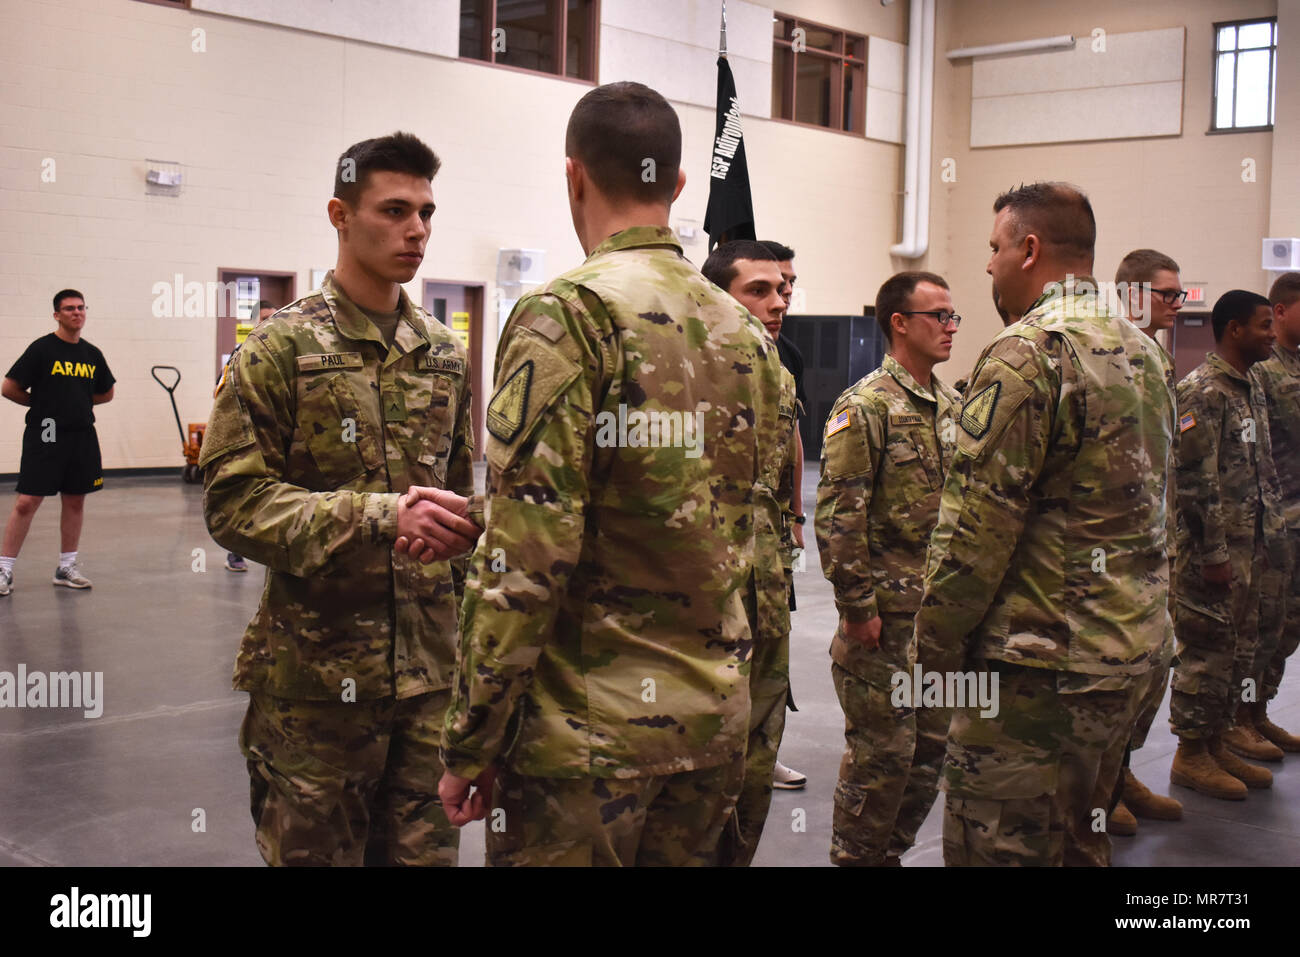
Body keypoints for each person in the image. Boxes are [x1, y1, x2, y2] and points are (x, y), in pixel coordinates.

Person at [437, 81, 785, 866]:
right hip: (712, 725)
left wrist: (472, 734)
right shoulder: (749, 334)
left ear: (574, 176)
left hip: (586, 744)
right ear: (680, 185)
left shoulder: (568, 315)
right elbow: (763, 541)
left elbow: (528, 554)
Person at [201, 131, 481, 866]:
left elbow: (457, 491)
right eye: (394, 209)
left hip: (429, 683)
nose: (416, 229)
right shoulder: (278, 349)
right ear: (340, 213)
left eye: (426, 211)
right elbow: (235, 503)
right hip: (318, 691)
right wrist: (380, 515)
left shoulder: (444, 352)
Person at [914, 182, 1175, 866]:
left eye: (995, 249)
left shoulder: (1028, 352)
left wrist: (933, 652)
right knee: (1080, 842)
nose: (990, 265)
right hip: (1128, 656)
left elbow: (974, 530)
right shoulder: (1144, 352)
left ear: (1030, 249)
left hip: (1036, 676)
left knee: (999, 849)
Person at [815, 270, 961, 866]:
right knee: (883, 756)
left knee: (930, 753)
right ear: (899, 323)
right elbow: (839, 515)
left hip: (938, 623)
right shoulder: (867, 406)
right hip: (884, 623)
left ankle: (887, 854)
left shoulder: (953, 404)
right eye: (939, 316)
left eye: (955, 317)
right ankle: (855, 858)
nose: (951, 327)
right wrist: (858, 609)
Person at [701, 240, 799, 865]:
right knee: (703, 769)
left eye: (784, 288)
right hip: (708, 604)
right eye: (758, 290)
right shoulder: (689, 375)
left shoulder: (779, 375)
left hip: (768, 598)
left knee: (757, 761)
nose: (778, 300)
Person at [1168, 290, 1287, 799]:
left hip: (1249, 542)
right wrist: (1214, 553)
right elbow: (1196, 481)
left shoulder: (1251, 384)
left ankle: (1216, 739)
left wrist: (1268, 536)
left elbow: (1258, 466)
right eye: (1263, 326)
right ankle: (1189, 754)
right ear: (1235, 329)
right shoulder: (1202, 391)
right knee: (1206, 651)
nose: (1271, 335)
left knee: (1237, 649)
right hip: (1209, 553)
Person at [1106, 248, 1188, 832]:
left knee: (1153, 665)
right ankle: (1101, 787)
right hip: (1108, 545)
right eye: (1167, 295)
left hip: (1155, 540)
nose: (1177, 305)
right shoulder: (1108, 351)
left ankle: (1123, 772)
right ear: (1133, 293)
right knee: (1113, 671)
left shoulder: (1156, 356)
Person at [0, 289, 115, 596]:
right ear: (57, 315)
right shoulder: (42, 349)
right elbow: (9, 387)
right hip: (46, 432)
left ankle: (66, 567)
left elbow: (107, 392)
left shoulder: (92, 354)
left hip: (81, 436)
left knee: (75, 499)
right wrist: (41, 405)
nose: (76, 313)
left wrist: (75, 402)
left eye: (80, 308)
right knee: (27, 501)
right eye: (69, 309)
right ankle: (5, 569)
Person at [759, 238, 808, 791]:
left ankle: (764, 748)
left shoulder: (786, 355)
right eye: (769, 287)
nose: (784, 296)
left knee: (775, 636)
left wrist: (796, 513)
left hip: (771, 531)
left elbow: (793, 437)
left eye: (788, 284)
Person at [1249, 272, 1300, 753]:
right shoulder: (1262, 372)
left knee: (1287, 627)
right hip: (1274, 522)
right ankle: (1236, 721)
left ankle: (1259, 710)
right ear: (1281, 311)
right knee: (1261, 626)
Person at [222, 299, 276, 573]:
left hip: (278, 437)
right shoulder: (240, 353)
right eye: (264, 317)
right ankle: (235, 553)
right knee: (244, 497)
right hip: (250, 436)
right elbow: (222, 393)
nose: (269, 322)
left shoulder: (284, 351)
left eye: (274, 317)